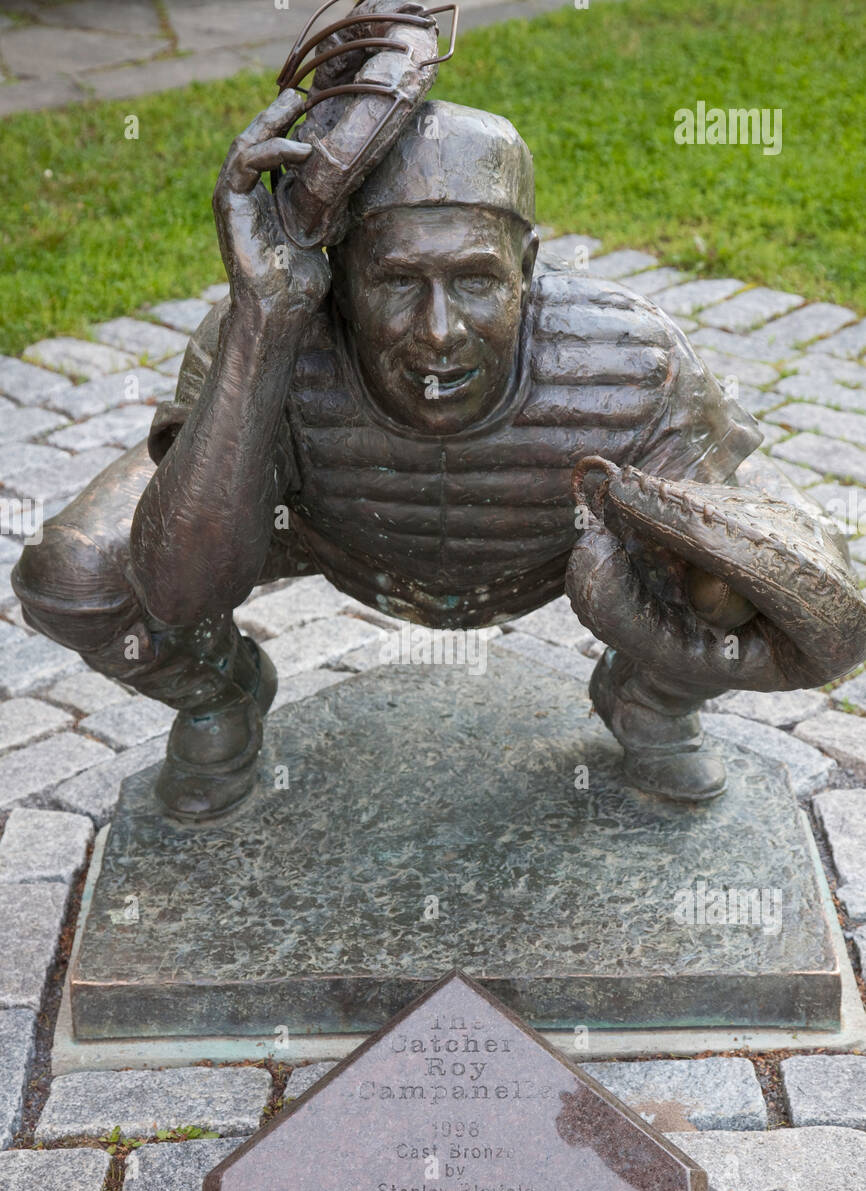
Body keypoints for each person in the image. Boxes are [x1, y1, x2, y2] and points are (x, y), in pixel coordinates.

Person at [11, 95, 858, 820]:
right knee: (74, 575)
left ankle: (652, 703)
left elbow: (815, 596)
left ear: (530, 271)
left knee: (750, 562)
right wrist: (264, 328)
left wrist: (661, 640)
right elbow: (176, 589)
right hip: (322, 526)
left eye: (478, 280)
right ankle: (219, 697)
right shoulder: (264, 339)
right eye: (395, 281)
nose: (440, 330)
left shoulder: (630, 360)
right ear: (339, 278)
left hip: (550, 551)